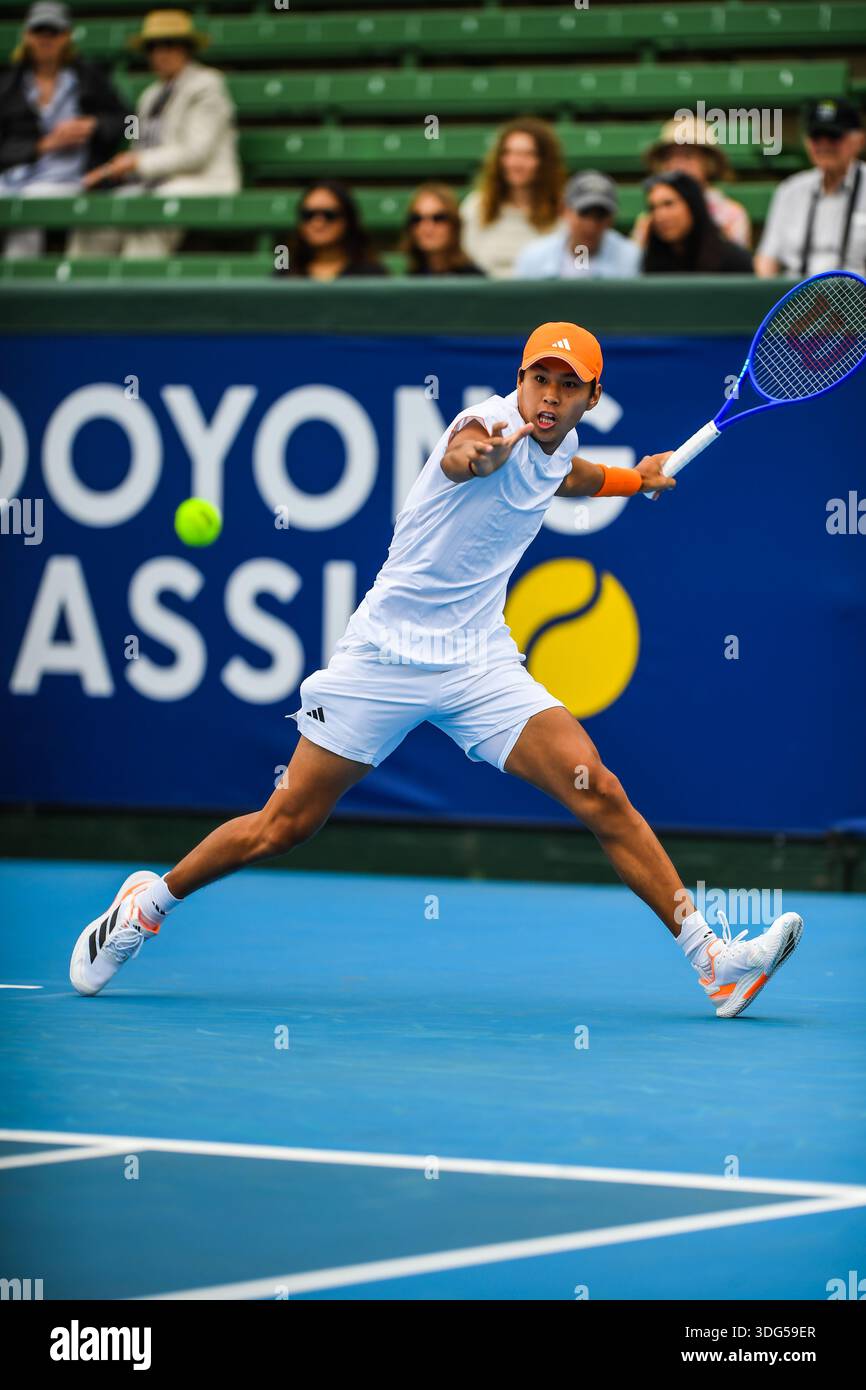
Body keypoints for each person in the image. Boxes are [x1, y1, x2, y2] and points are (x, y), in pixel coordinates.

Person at [69, 320, 803, 1019]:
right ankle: (147, 905)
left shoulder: (550, 454)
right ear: (516, 383)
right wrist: (481, 456)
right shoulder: (483, 426)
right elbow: (469, 455)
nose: (548, 396)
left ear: (591, 399)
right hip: (382, 659)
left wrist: (631, 480)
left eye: (566, 386)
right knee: (283, 826)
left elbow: (565, 477)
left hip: (477, 661)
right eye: (537, 379)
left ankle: (712, 961)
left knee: (600, 789)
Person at [73, 8, 240, 259]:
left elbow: (197, 152)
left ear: (186, 49)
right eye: (153, 47)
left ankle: (134, 293)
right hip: (152, 183)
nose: (160, 54)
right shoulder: (148, 95)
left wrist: (137, 163)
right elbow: (137, 147)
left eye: (169, 45)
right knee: (97, 217)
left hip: (202, 181)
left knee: (150, 214)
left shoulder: (208, 84)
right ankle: (78, 292)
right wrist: (118, 168)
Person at [0, 1, 124, 259]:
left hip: (71, 180)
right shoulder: (8, 86)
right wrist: (41, 146)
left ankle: (19, 282)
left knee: (30, 205)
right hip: (13, 178)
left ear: (67, 36)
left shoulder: (90, 78)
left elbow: (133, 121)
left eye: (53, 32)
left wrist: (96, 125)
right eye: (39, 32)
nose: (46, 39)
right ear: (26, 36)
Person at [755, 98, 866, 278]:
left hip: (858, 300)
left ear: (859, 140)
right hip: (798, 300)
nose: (824, 144)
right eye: (816, 137)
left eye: (834, 136)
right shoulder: (789, 191)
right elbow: (766, 259)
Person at [459, 116, 564, 278]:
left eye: (527, 154)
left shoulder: (562, 212)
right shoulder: (475, 207)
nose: (516, 163)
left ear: (544, 162)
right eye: (509, 153)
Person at [631, 114, 751, 252]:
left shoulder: (731, 215)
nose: (677, 165)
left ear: (708, 162)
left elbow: (736, 267)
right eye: (670, 157)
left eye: (687, 156)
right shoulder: (651, 219)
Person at [514, 170, 640, 279]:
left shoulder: (630, 257)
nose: (591, 224)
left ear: (611, 219)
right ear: (565, 211)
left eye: (600, 215)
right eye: (584, 213)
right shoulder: (534, 257)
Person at [642, 171, 754, 273]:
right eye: (652, 208)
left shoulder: (734, 261)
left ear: (693, 206)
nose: (659, 216)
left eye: (669, 204)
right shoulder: (649, 263)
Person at [277, 179, 386, 279]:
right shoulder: (286, 274)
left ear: (347, 219)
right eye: (308, 215)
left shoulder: (371, 275)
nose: (317, 224)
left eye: (329, 215)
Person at [401, 182, 482, 275]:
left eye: (438, 218)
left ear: (454, 225)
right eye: (417, 219)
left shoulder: (474, 279)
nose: (427, 227)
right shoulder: (405, 278)